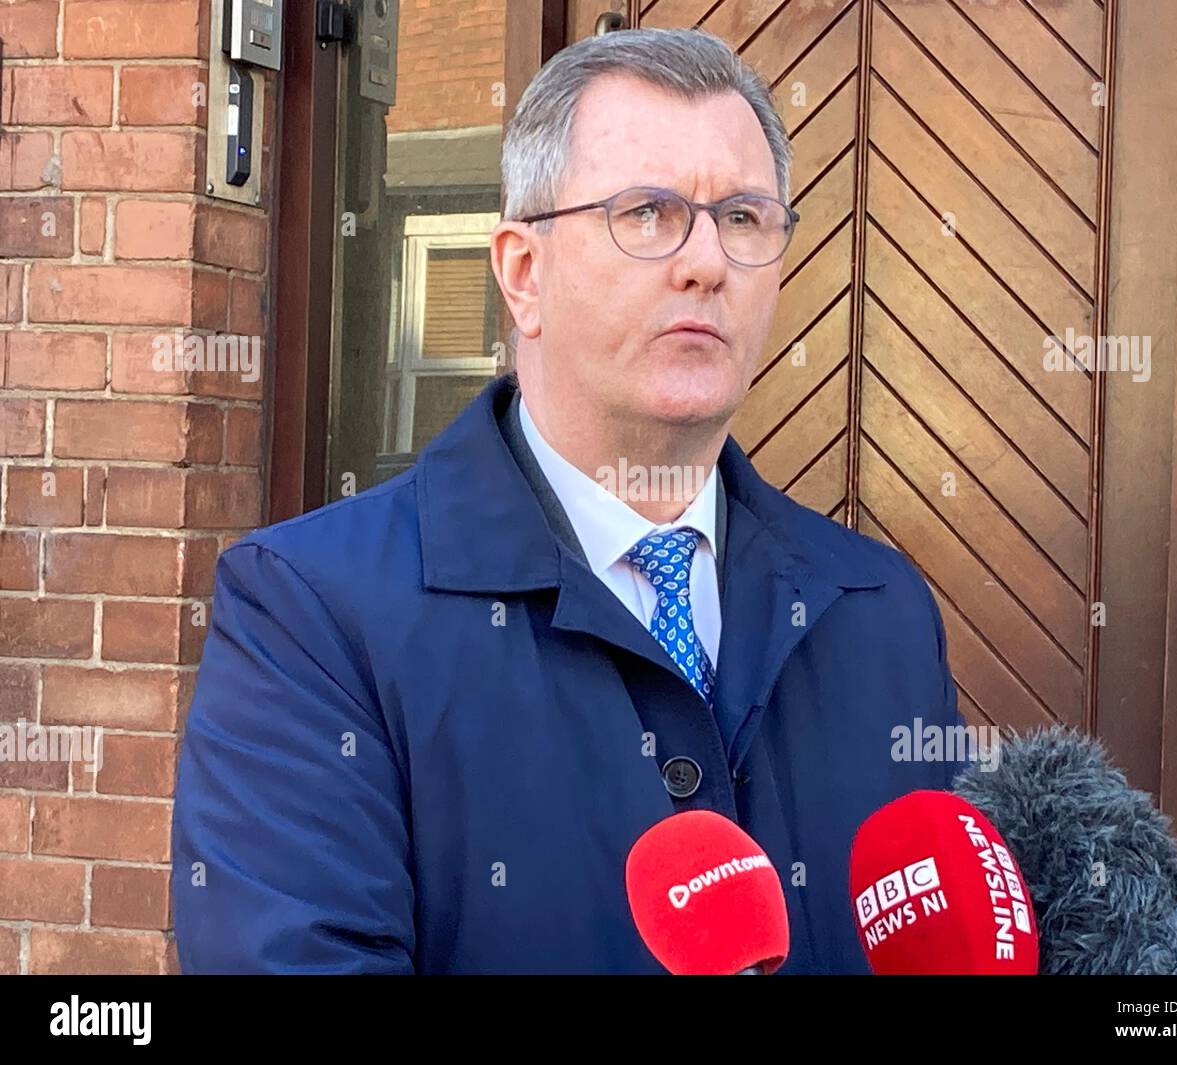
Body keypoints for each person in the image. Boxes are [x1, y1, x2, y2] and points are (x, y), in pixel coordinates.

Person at [173, 26, 965, 974]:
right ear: (521, 273)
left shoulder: (880, 611)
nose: (707, 262)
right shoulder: (311, 617)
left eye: (745, 218)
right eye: (648, 212)